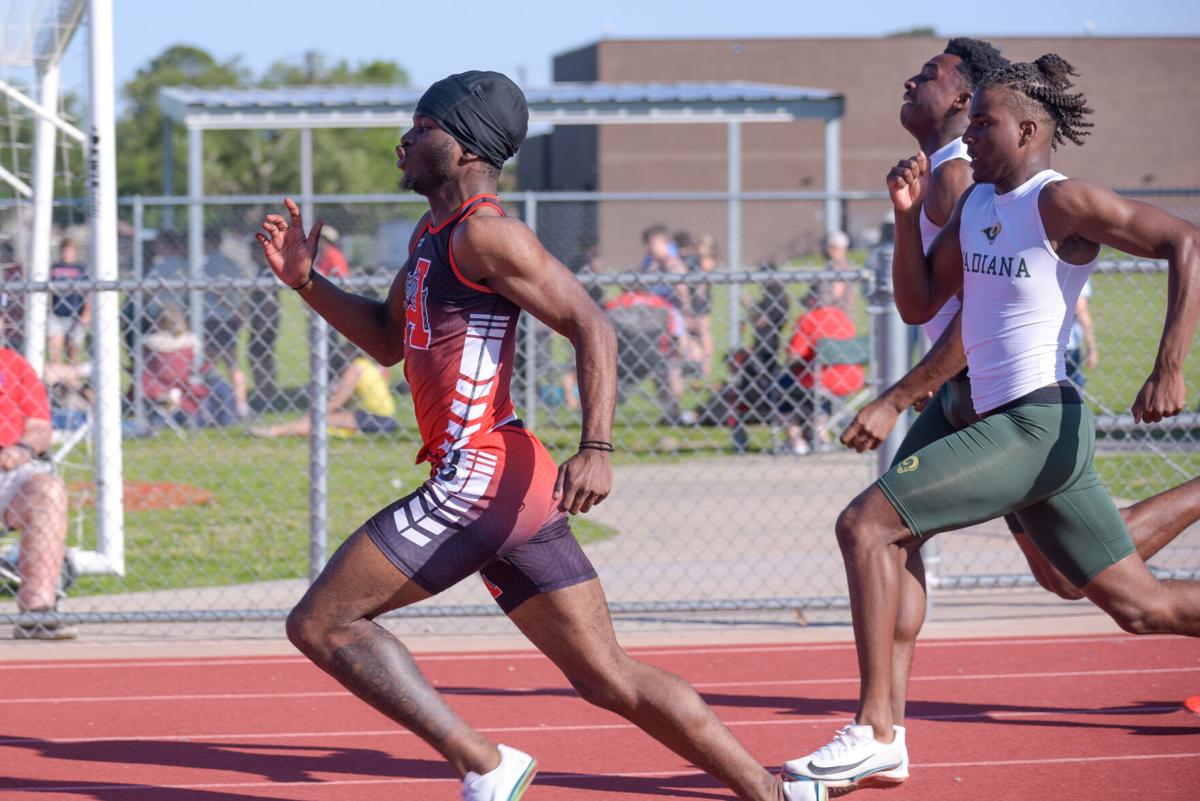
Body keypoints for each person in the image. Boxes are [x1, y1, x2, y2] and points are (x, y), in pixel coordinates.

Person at [255, 70, 823, 801]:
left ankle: (485, 762)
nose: (404, 141)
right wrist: (306, 282)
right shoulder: (434, 237)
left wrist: (598, 445)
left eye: (421, 128)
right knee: (607, 676)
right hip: (507, 481)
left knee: (322, 620)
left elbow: (592, 322)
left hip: (484, 474)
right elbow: (388, 341)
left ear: (463, 148)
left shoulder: (487, 234)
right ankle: (770, 795)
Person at [785, 54, 1200, 792]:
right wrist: (907, 216)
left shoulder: (1060, 202)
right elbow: (919, 305)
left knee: (867, 526)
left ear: (1030, 129)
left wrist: (1169, 363)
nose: (970, 131)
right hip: (969, 410)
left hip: (1034, 423)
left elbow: (1185, 241)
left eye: (985, 121)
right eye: (969, 119)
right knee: (1138, 606)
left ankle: (875, 731)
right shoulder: (977, 202)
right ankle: (887, 733)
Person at [0, 294, 75, 640]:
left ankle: (37, 611)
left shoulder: (14, 366)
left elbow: (40, 427)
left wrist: (22, 450)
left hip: (9, 469)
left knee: (47, 490)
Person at [779, 285, 864, 455]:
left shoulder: (807, 319)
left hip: (821, 381)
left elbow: (793, 357)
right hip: (852, 379)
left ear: (812, 301)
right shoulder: (842, 317)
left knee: (780, 385)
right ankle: (820, 435)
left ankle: (797, 440)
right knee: (809, 392)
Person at [250, 341, 398, 438]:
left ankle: (274, 432)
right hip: (383, 419)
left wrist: (316, 412)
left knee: (317, 421)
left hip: (376, 419)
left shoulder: (356, 368)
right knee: (324, 423)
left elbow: (338, 400)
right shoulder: (366, 365)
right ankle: (277, 430)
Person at [604, 284, 689, 425]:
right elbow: (678, 333)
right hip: (655, 358)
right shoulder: (662, 303)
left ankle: (598, 416)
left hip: (622, 360)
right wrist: (679, 355)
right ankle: (673, 414)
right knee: (672, 368)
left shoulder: (615, 304)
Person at [201, 228, 250, 419]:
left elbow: (219, 291)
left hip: (216, 318)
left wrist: (231, 308)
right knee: (230, 362)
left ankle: (225, 403)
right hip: (229, 318)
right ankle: (239, 404)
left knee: (215, 363)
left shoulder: (212, 264)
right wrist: (238, 310)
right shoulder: (230, 263)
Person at [48, 238, 90, 366]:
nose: (66, 253)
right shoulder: (54, 268)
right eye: (64, 250)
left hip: (75, 314)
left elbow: (88, 294)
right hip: (57, 314)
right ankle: (56, 380)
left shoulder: (80, 269)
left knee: (73, 351)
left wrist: (86, 313)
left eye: (69, 250)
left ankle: (71, 382)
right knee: (55, 349)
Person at [1065, 278, 1098, 389]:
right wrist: (1092, 348)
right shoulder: (1077, 271)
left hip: (1040, 342)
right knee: (1073, 393)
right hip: (1067, 346)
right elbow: (1080, 310)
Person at [820, 230, 858, 316]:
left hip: (836, 315)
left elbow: (835, 294)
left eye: (832, 247)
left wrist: (818, 301)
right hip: (837, 315)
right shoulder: (835, 265)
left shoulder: (840, 267)